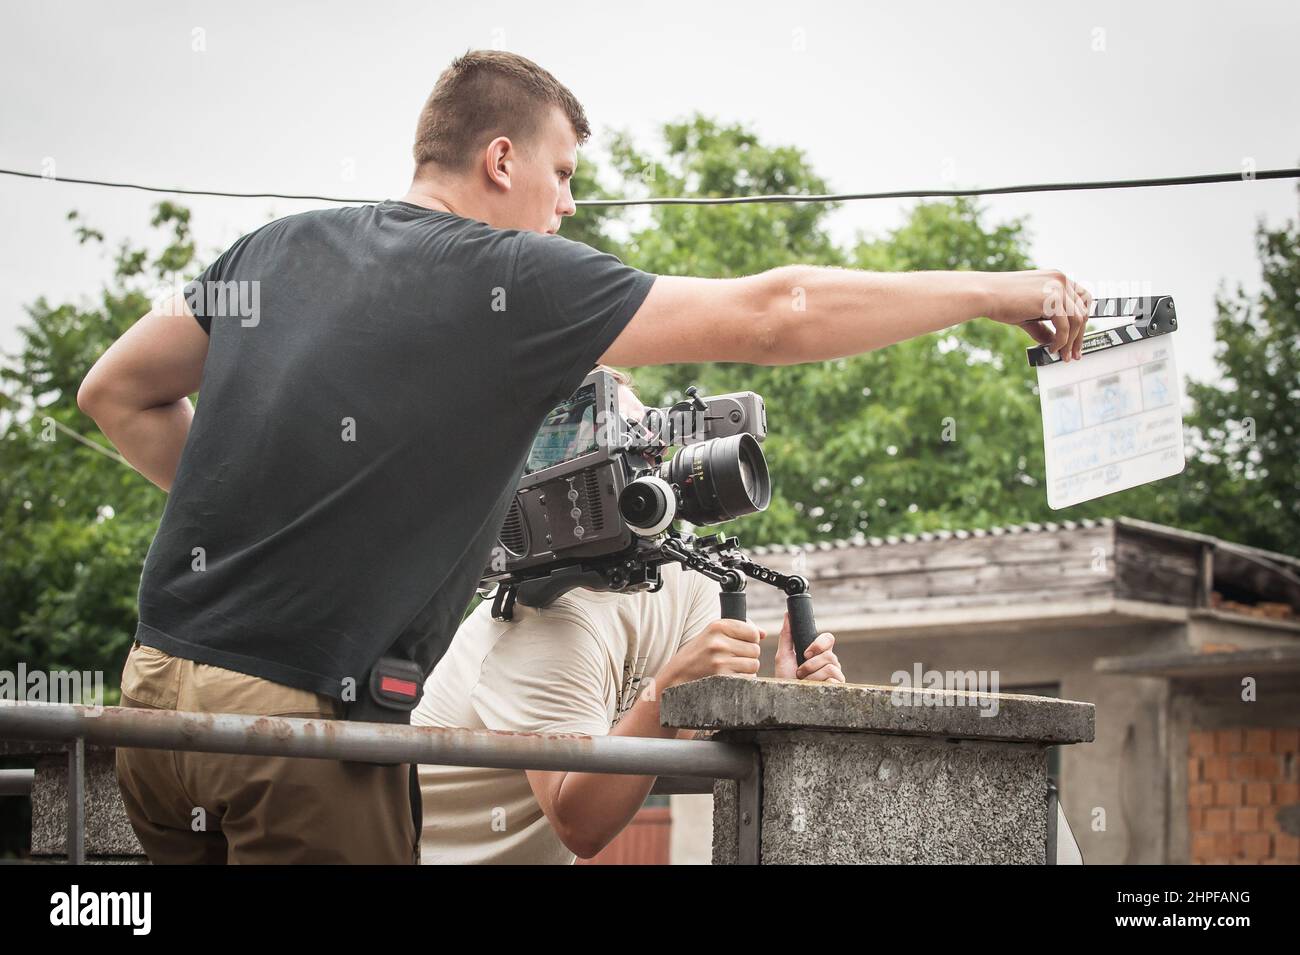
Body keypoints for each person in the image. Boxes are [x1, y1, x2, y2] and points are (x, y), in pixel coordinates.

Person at [76, 49, 1092, 864]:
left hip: (154, 702)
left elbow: (115, 392)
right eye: (562, 176)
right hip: (299, 729)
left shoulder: (270, 248)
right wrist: (1011, 292)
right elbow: (775, 311)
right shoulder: (509, 279)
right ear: (502, 159)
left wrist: (277, 519)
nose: (565, 207)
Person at [415, 367, 845, 864]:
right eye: (621, 436)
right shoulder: (542, 618)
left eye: (649, 434)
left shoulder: (685, 575)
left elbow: (686, 736)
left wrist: (780, 703)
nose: (647, 453)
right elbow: (582, 823)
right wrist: (665, 688)